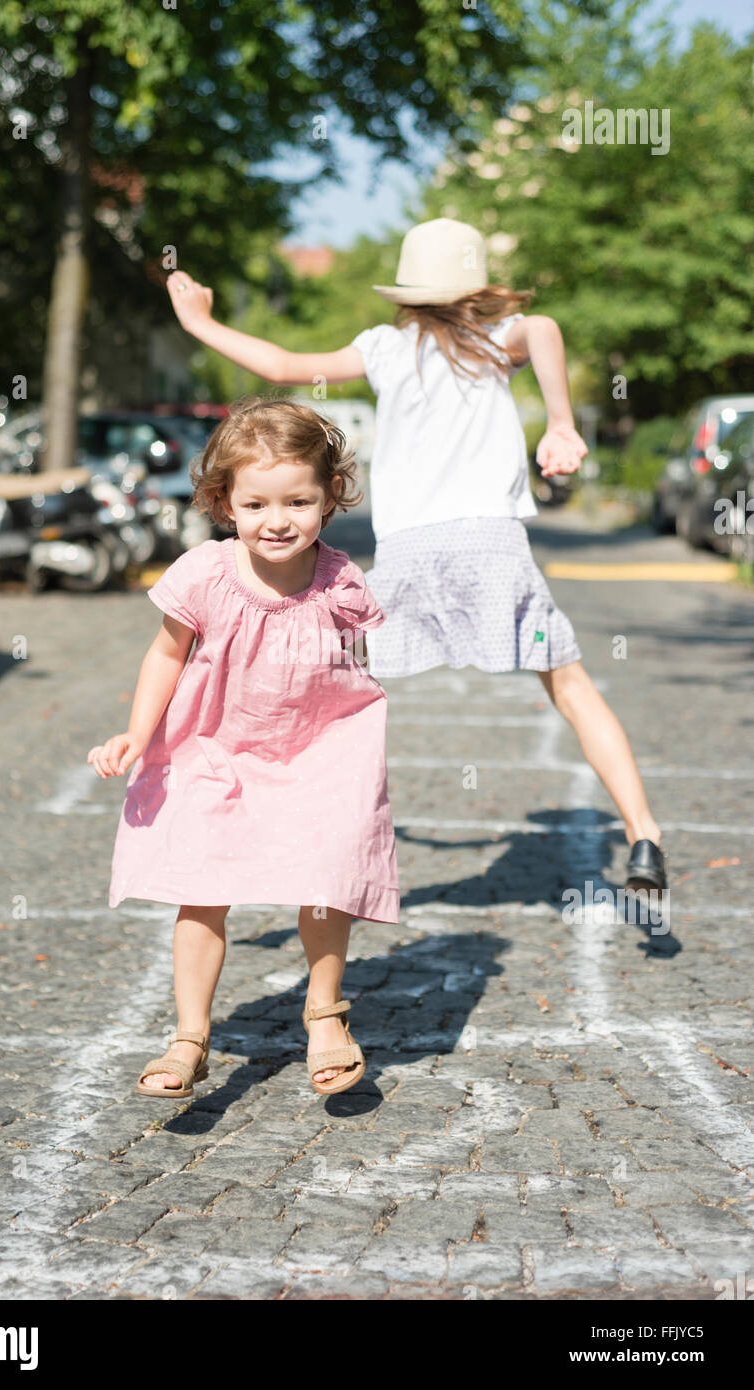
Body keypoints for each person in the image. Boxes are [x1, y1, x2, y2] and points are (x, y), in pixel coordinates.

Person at [162, 219, 666, 895]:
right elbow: (542, 326)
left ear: (406, 290)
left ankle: (270, 823)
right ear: (477, 286)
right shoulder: (494, 341)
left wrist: (200, 324)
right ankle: (642, 834)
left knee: (330, 688)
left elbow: (282, 367)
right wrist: (561, 422)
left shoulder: (382, 347)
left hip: (410, 553)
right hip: (491, 545)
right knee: (570, 688)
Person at [88, 399, 399, 1100]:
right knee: (201, 888)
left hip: (321, 746)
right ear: (224, 502)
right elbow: (165, 656)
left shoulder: (342, 581)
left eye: (298, 500)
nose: (277, 519)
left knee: (329, 873)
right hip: (214, 746)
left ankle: (324, 1014)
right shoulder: (204, 572)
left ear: (330, 497)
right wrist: (138, 733)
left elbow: (355, 660)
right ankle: (190, 1036)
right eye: (255, 503)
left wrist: (348, 744)